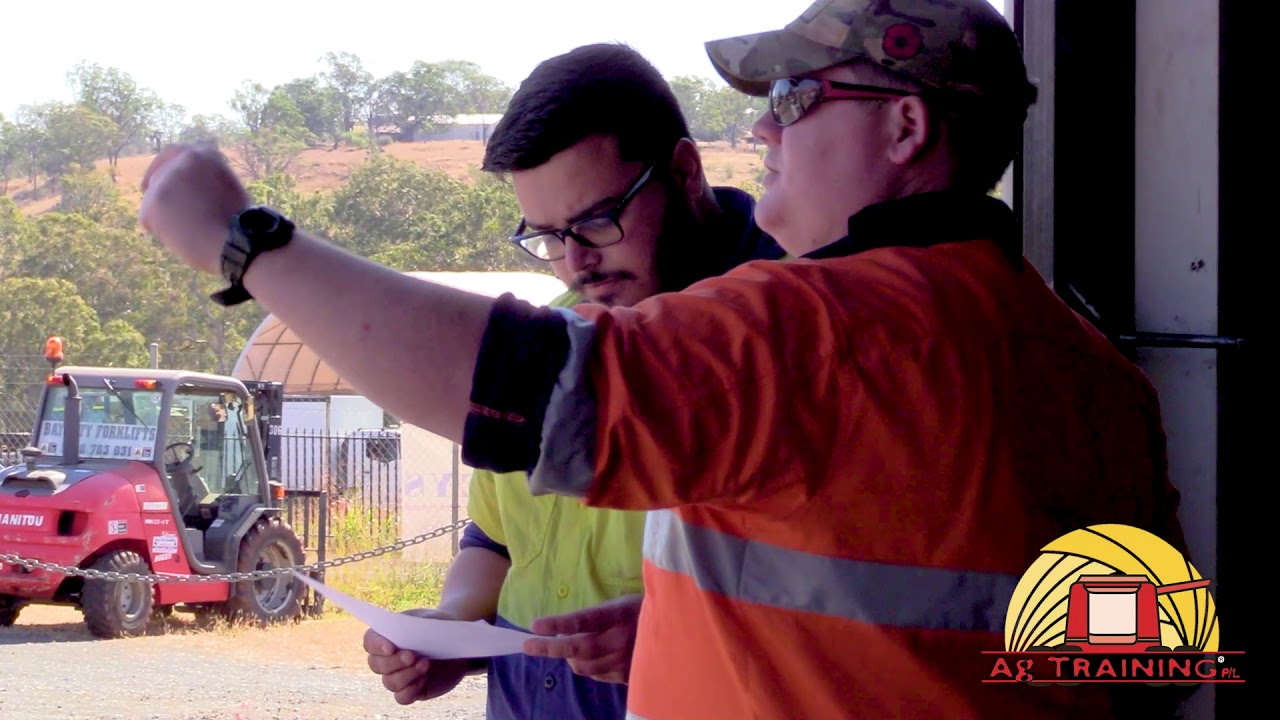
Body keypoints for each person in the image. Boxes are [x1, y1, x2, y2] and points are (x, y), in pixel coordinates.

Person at [136, 1, 1189, 717]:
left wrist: (243, 243)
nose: (763, 133)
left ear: (905, 126)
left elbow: (513, 390)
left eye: (794, 101)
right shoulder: (1099, 377)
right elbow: (1152, 665)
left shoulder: (812, 328)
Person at [413, 43, 788, 719]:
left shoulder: (798, 327)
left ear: (684, 172)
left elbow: (855, 585)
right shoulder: (548, 341)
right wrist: (452, 630)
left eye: (594, 222)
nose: (575, 262)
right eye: (548, 237)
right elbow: (495, 541)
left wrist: (683, 627)